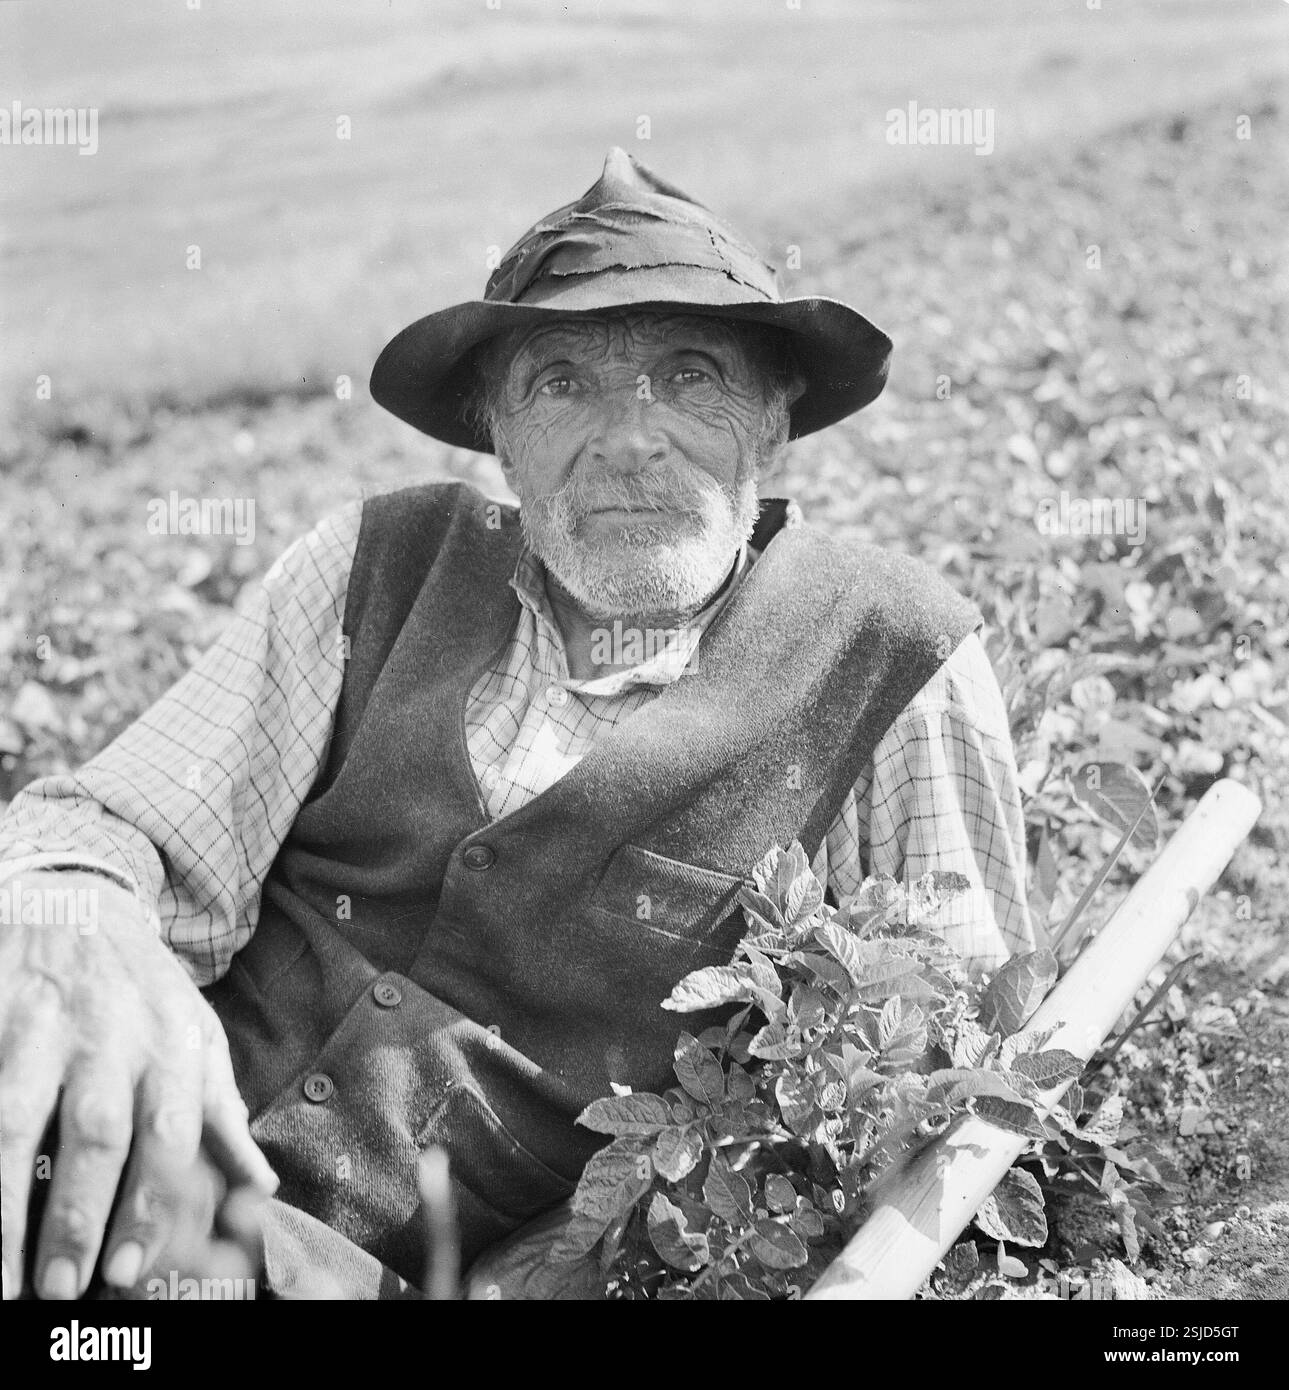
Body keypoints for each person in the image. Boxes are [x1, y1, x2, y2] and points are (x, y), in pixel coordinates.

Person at [0, 148, 1033, 1300]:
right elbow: (113, 821)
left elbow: (949, 1078)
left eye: (690, 376)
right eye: (561, 384)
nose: (630, 436)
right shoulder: (371, 565)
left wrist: (611, 1248)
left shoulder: (890, 656)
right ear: (496, 432)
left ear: (775, 422)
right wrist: (81, 919)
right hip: (134, 1163)